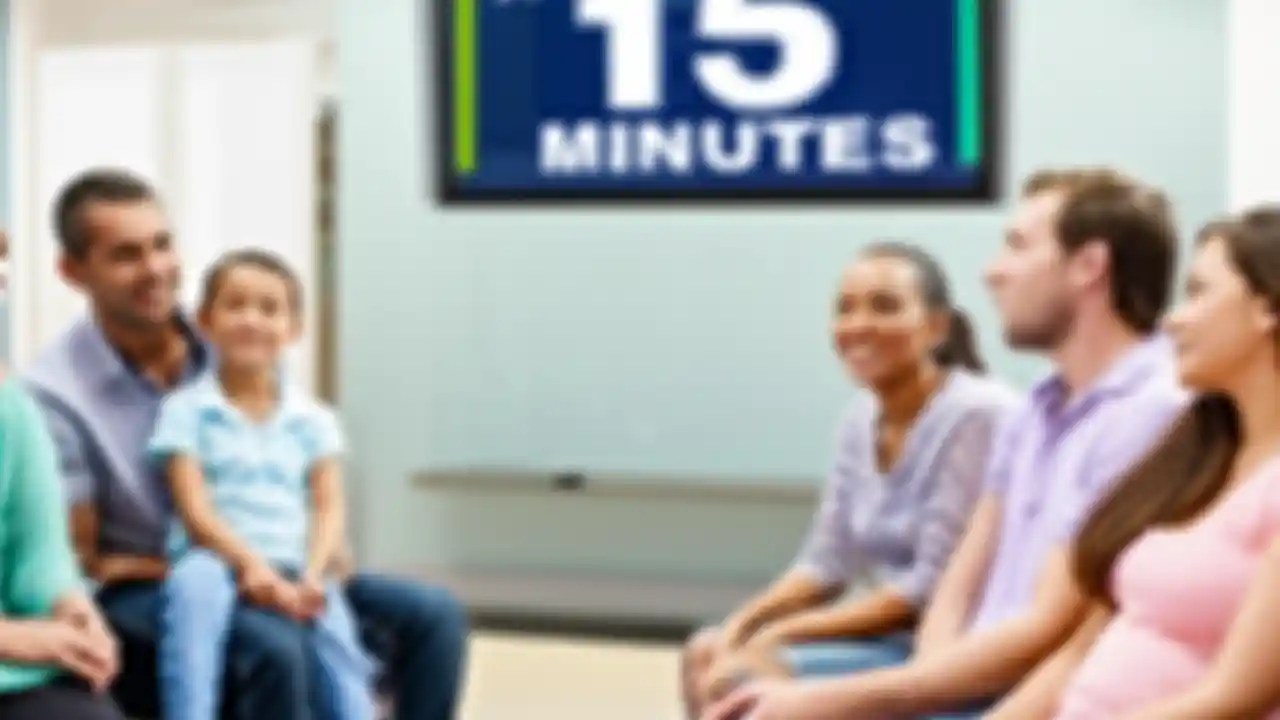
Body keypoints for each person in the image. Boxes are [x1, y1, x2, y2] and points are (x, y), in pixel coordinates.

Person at [704, 167, 1189, 720]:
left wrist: (863, 697)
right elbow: (961, 577)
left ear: (1089, 266)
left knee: (767, 704)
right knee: (739, 680)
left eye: (1017, 246)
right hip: (964, 674)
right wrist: (927, 683)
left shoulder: (1151, 410)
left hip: (1033, 691)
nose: (992, 272)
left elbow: (1051, 628)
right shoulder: (1038, 405)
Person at [24, 169, 468, 720]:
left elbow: (295, 462)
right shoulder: (52, 395)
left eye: (163, 245)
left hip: (279, 558)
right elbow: (83, 560)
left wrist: (313, 558)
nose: (156, 270)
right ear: (72, 271)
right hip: (156, 582)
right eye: (126, 255)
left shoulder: (231, 332)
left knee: (433, 616)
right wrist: (235, 565)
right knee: (274, 647)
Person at [682, 242, 1019, 716]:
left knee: (747, 677)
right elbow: (825, 563)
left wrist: (780, 634)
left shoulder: (977, 414)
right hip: (893, 639)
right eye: (845, 308)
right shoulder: (859, 418)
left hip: (958, 651)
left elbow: (928, 588)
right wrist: (743, 624)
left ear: (937, 326)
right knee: (707, 649)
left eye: (884, 306)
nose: (858, 325)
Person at [988, 207, 1280, 718]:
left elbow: (1234, 697)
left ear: (1266, 309)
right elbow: (1080, 652)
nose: (1172, 319)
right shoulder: (1194, 451)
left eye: (1198, 292)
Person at [153, 250, 376, 720]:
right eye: (235, 305)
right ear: (204, 321)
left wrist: (314, 574)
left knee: (343, 662)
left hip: (297, 562)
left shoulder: (315, 419)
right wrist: (250, 565)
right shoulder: (185, 411)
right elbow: (195, 511)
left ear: (295, 328)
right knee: (192, 612)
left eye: (270, 308)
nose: (251, 319)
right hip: (213, 557)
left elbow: (329, 506)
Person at [0, 373, 124, 720]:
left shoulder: (11, 409)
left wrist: (70, 606)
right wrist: (14, 639)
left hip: (15, 672)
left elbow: (39, 555)